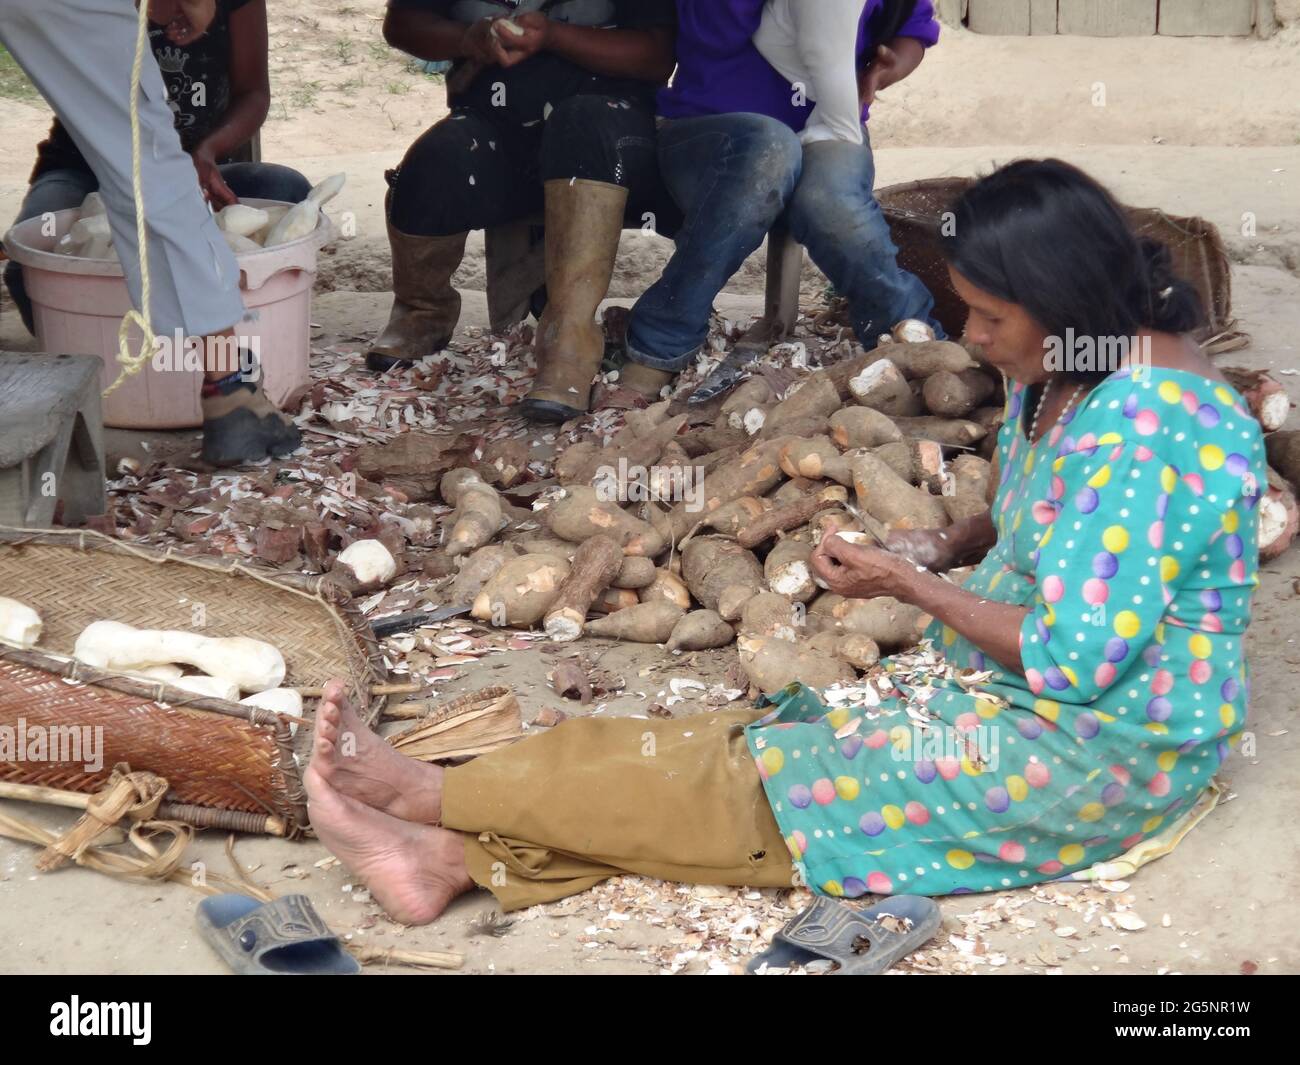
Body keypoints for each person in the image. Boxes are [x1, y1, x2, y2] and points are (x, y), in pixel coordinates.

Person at [302, 160, 1265, 924]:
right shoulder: (1063, 362)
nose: (969, 337)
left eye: (991, 315)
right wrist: (949, 544)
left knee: (777, 788)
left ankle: (439, 802)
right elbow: (1041, 522)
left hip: (1097, 752)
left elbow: (1075, 656)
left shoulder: (1155, 428)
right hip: (1000, 694)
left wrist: (907, 583)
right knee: (764, 738)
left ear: (1064, 303)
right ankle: (446, 849)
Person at [0, 0, 302, 467]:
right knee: (146, 164)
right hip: (86, 169)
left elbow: (253, 92)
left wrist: (205, 153)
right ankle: (230, 391)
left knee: (184, 173)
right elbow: (142, 168)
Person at [616, 0, 946, 401]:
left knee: (834, 203)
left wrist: (889, 66)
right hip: (711, 133)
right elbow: (715, 34)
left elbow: (913, 24)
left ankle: (912, 338)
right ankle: (660, 342)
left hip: (830, 124)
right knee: (770, 151)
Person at [370, 0, 678, 425]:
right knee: (437, 158)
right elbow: (402, 24)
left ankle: (568, 343)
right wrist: (468, 38)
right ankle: (422, 312)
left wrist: (553, 36)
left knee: (583, 123)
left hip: (608, 139)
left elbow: (656, 57)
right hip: (496, 126)